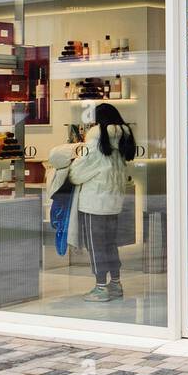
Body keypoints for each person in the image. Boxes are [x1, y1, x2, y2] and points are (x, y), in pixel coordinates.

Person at [67, 102, 135, 303]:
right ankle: (115, 283)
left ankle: (100, 287)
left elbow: (77, 173)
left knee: (95, 245)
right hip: (113, 202)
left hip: (93, 202)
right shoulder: (122, 143)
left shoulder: (96, 142)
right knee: (110, 243)